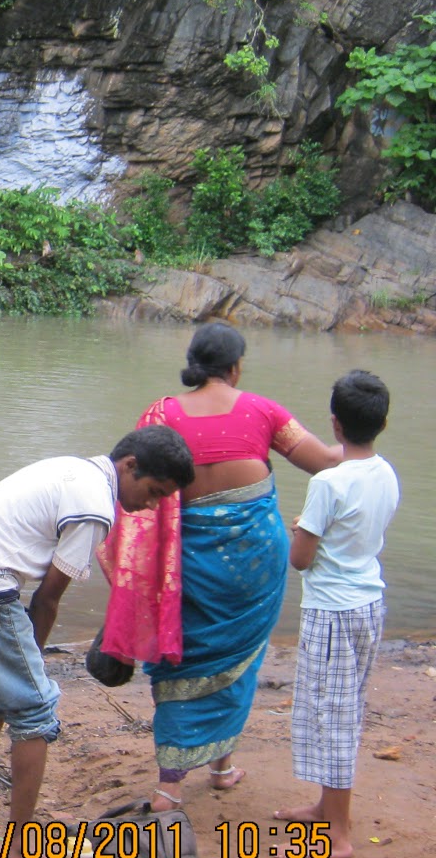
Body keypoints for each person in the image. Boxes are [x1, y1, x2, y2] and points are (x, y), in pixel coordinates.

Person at [101, 323, 341, 812]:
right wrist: (357, 439)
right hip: (252, 562)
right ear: (236, 367)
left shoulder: (159, 415)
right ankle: (221, 767)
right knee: (238, 662)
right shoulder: (263, 411)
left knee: (179, 660)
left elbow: (133, 487)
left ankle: (169, 786)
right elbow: (327, 464)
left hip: (180, 568)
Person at [0, 427, 194, 834]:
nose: (153, 505)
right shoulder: (95, 507)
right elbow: (47, 600)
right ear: (130, 466)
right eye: (154, 491)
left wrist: (24, 664)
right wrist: (33, 668)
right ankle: (19, 843)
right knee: (35, 711)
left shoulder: (73, 468)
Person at [277, 371, 400, 858]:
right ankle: (325, 809)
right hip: (369, 601)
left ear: (334, 424)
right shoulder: (385, 473)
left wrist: (300, 533)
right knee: (342, 707)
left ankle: (341, 833)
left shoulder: (328, 482)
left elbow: (300, 559)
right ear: (382, 423)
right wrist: (313, 532)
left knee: (333, 715)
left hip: (332, 608)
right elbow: (358, 532)